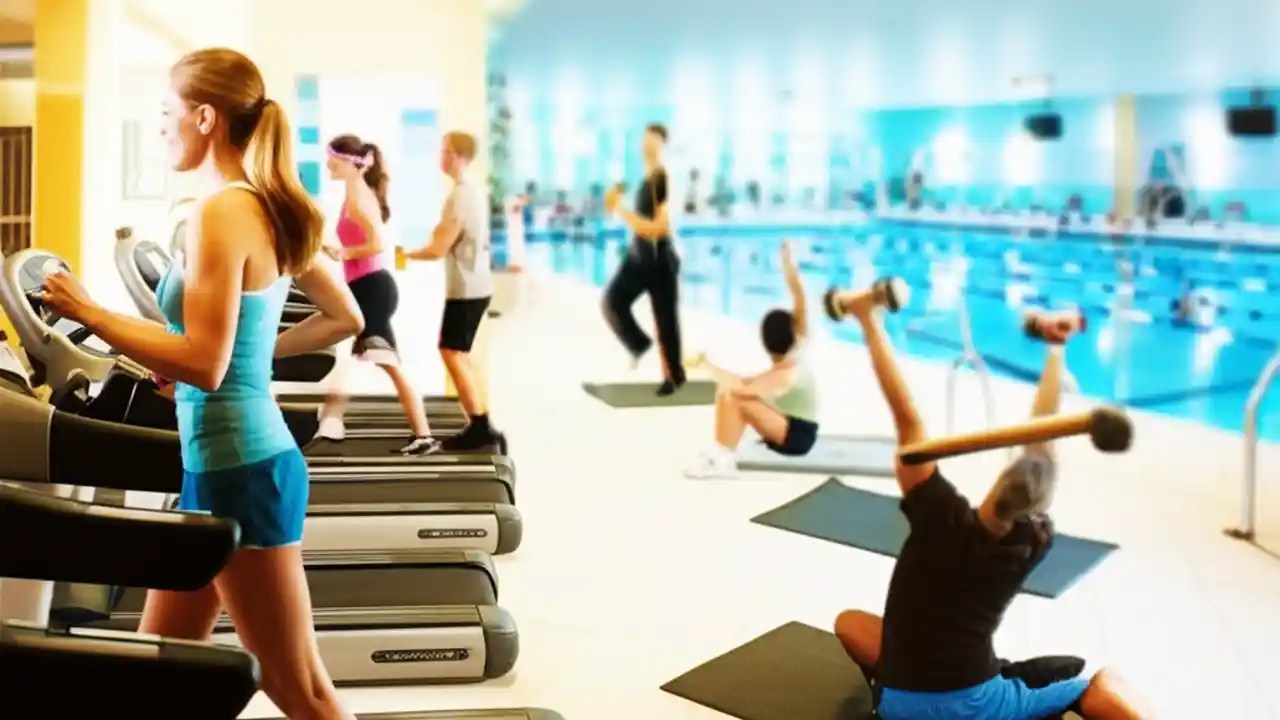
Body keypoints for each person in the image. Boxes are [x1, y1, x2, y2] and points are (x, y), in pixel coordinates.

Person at [37, 48, 359, 719]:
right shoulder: (266, 204)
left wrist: (89, 310)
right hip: (219, 464)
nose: (159, 127)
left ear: (205, 117)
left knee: (299, 689)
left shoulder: (221, 211)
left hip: (238, 470)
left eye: (166, 112)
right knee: (155, 674)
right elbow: (340, 317)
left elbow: (208, 363)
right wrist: (241, 356)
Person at [825, 290, 1150, 720]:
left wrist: (869, 319)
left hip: (901, 705)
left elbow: (907, 419)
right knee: (1101, 683)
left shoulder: (939, 517)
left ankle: (996, 674)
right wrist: (1056, 350)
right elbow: (1041, 441)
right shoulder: (1030, 543)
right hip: (983, 708)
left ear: (996, 484)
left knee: (849, 623)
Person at [316, 133, 439, 455]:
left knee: (388, 363)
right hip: (366, 285)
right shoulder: (355, 193)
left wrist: (343, 253)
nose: (327, 163)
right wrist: (339, 251)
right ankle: (331, 418)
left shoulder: (358, 196)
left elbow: (376, 245)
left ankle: (421, 434)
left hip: (372, 288)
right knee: (357, 356)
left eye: (332, 157)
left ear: (348, 162)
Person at [682, 240, 818, 479]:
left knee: (736, 397)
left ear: (766, 345)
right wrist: (789, 265)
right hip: (785, 422)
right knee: (730, 392)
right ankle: (721, 452)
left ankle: (722, 460)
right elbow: (800, 298)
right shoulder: (798, 347)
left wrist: (707, 365)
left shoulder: (786, 374)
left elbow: (743, 391)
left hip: (797, 438)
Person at [401, 131, 502, 451]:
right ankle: (481, 421)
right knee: (458, 352)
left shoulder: (460, 195)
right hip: (475, 284)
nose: (439, 156)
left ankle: (480, 426)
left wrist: (403, 254)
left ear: (458, 156)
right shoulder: (468, 192)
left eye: (444, 150)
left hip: (468, 288)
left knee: (451, 351)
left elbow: (438, 247)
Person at [602, 123, 686, 396]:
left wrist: (621, 211)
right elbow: (641, 223)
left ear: (662, 146)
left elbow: (660, 227)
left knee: (666, 322)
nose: (647, 145)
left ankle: (673, 376)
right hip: (639, 257)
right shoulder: (647, 179)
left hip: (658, 260)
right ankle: (639, 345)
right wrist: (616, 209)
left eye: (654, 141)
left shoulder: (661, 178)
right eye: (645, 139)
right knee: (612, 301)